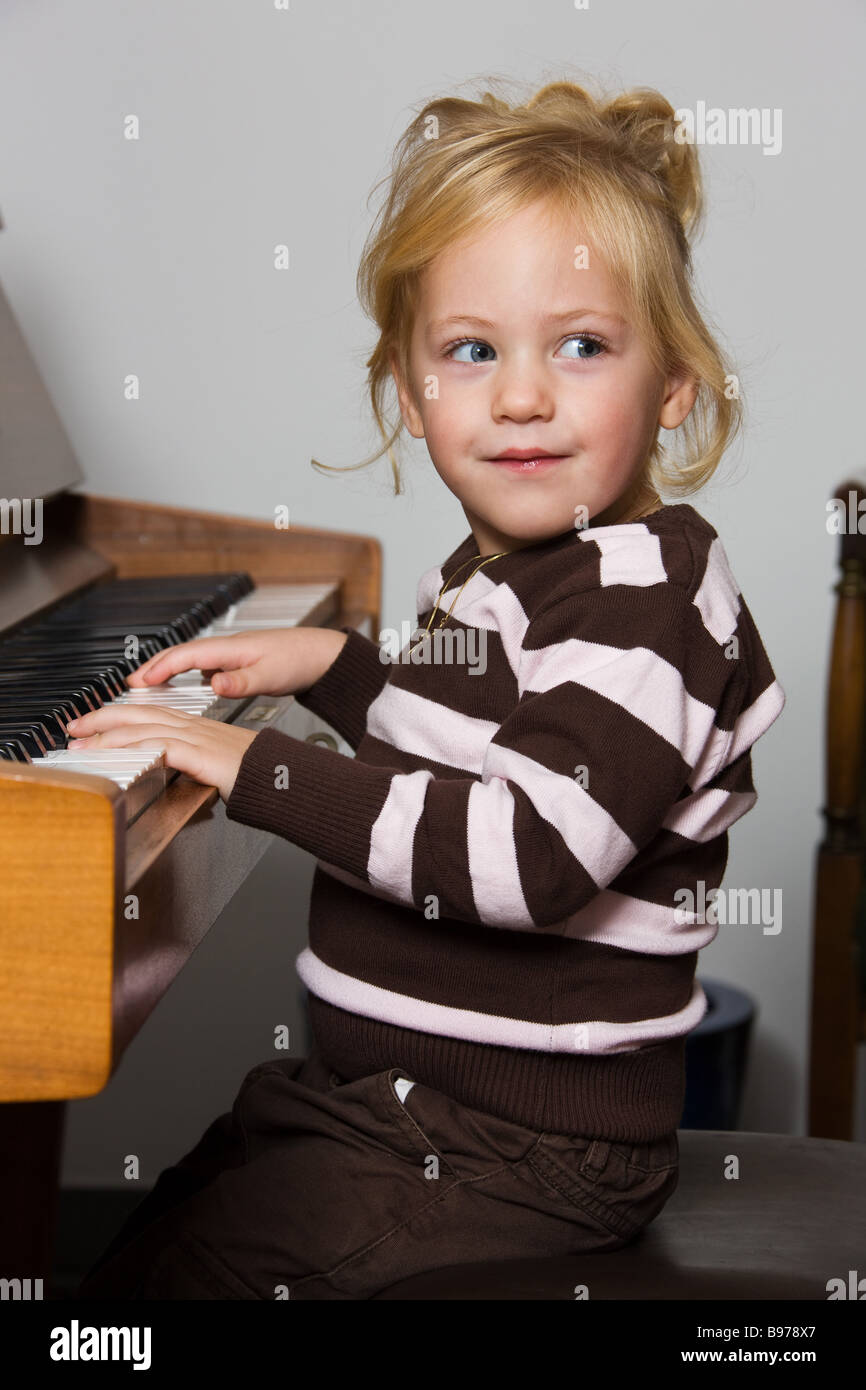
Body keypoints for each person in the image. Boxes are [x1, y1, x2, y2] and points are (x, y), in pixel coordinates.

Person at [72, 76, 785, 1300]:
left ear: (672, 383)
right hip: (394, 1108)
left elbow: (525, 853)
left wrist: (259, 767)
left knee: (182, 1284)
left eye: (581, 345)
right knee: (157, 1225)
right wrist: (344, 672)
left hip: (519, 1151)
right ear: (409, 392)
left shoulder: (652, 602)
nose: (519, 394)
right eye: (471, 350)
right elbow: (472, 736)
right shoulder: (528, 570)